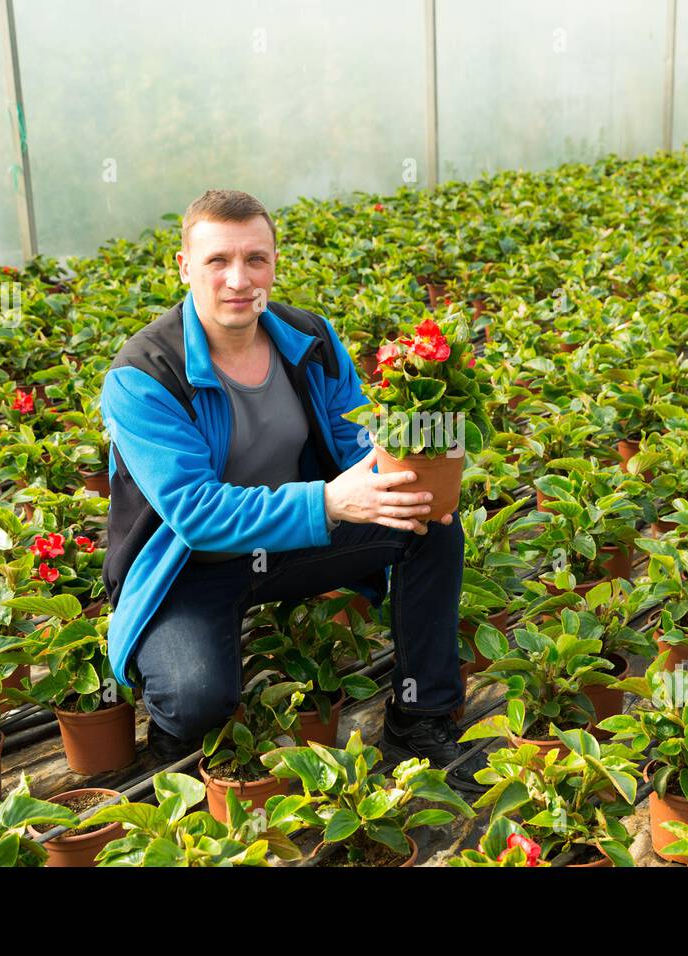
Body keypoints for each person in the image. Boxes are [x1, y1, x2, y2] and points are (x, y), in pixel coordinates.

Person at [99, 189, 485, 790]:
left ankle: (420, 714)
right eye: (217, 261)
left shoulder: (310, 339)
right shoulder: (144, 374)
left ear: (274, 263)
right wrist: (329, 502)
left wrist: (416, 461)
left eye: (256, 259)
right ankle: (176, 709)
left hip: (293, 543)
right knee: (196, 701)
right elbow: (194, 513)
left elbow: (357, 440)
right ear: (184, 267)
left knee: (426, 520)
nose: (239, 278)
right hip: (190, 569)